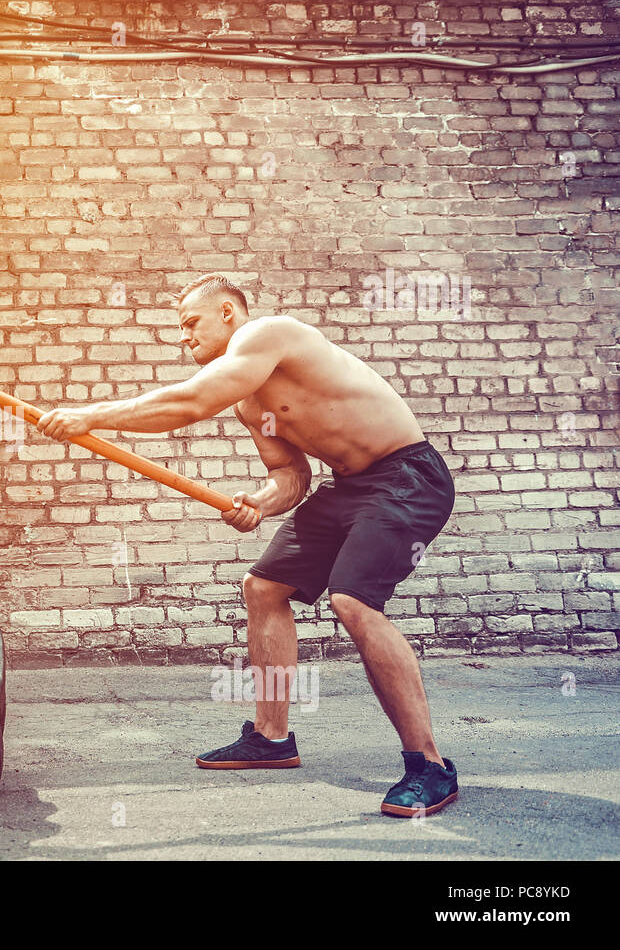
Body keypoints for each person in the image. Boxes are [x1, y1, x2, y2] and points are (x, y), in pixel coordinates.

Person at [36, 273, 459, 817]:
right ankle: (272, 738)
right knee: (262, 588)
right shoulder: (249, 403)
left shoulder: (269, 335)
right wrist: (260, 501)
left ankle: (429, 766)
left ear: (229, 314)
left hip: (407, 477)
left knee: (352, 600)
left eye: (191, 323)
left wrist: (90, 415)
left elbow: (190, 403)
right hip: (349, 486)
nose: (182, 337)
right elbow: (291, 474)